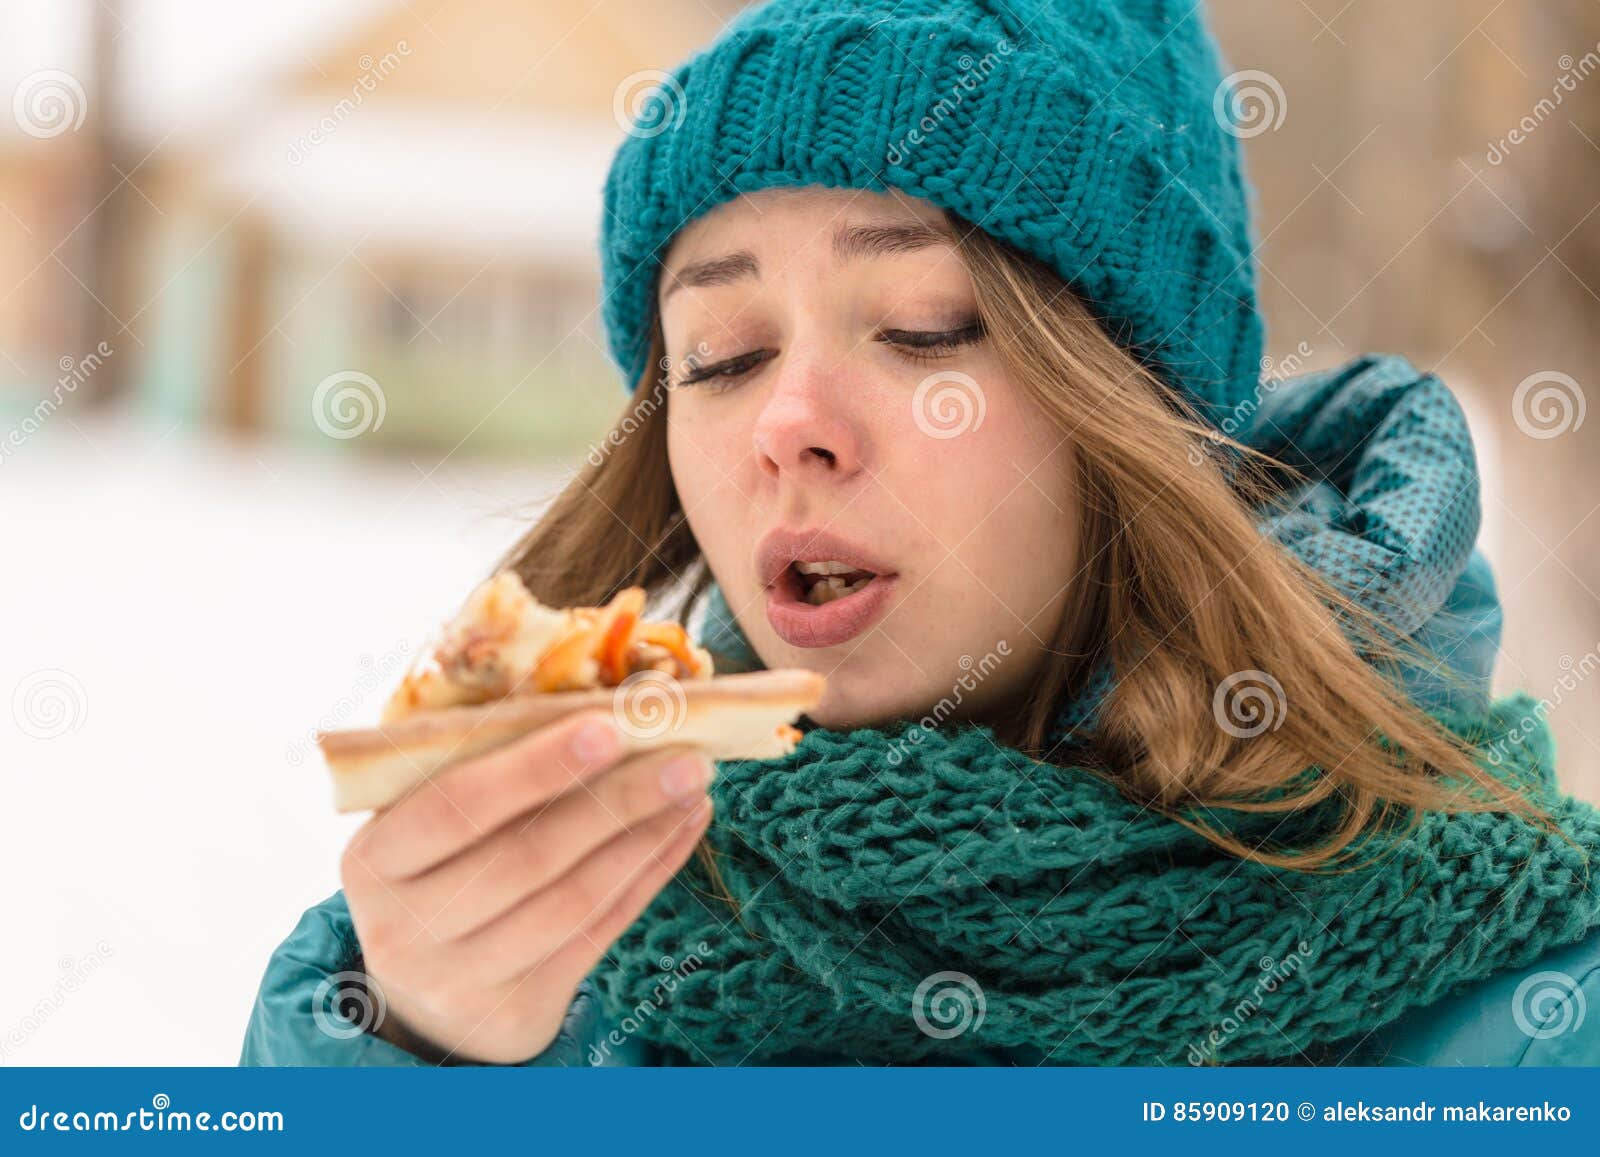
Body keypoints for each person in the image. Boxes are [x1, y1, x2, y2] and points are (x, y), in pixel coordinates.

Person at [243, 0, 1600, 1066]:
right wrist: (404, 1063)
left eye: (922, 332)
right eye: (719, 354)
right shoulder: (546, 976)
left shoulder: (1535, 1001)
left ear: (1136, 407)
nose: (789, 422)